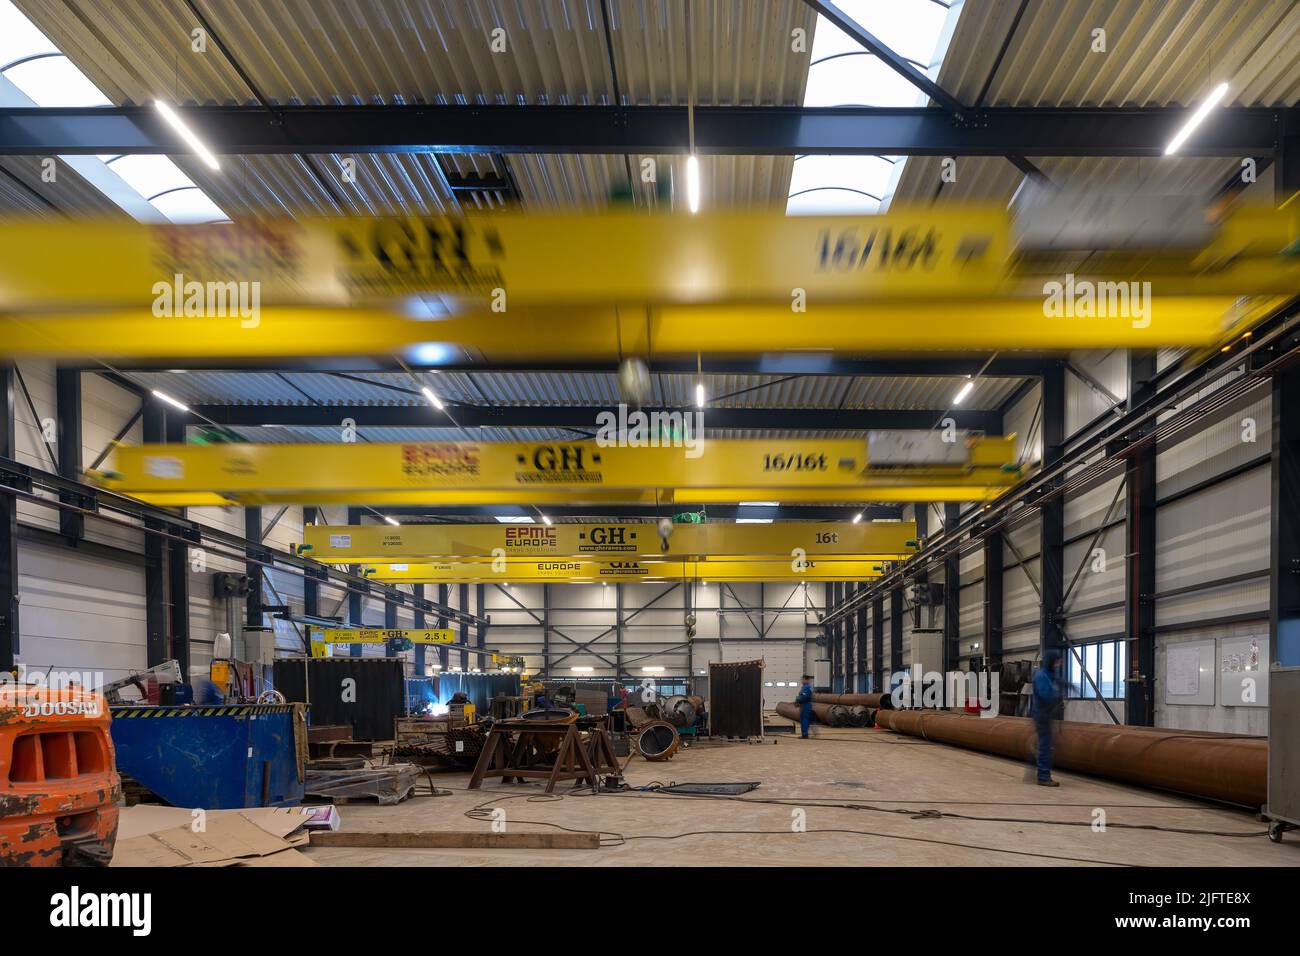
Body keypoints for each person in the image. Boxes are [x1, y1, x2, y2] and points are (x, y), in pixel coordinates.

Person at [1030, 649, 1063, 786]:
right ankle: (1043, 776)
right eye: (1057, 662)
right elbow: (1046, 695)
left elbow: (1055, 681)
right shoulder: (1042, 676)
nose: (1058, 665)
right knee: (1045, 745)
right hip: (1042, 715)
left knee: (1046, 744)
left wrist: (1064, 684)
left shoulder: (1048, 674)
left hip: (1045, 714)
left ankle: (1043, 773)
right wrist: (1057, 696)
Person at [795, 675, 815, 739]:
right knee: (805, 719)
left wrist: (797, 700)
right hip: (805, 705)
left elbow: (804, 697)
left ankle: (805, 734)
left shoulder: (806, 687)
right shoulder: (805, 687)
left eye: (802, 679)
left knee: (804, 720)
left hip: (805, 705)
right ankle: (805, 733)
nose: (801, 681)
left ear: (806, 680)